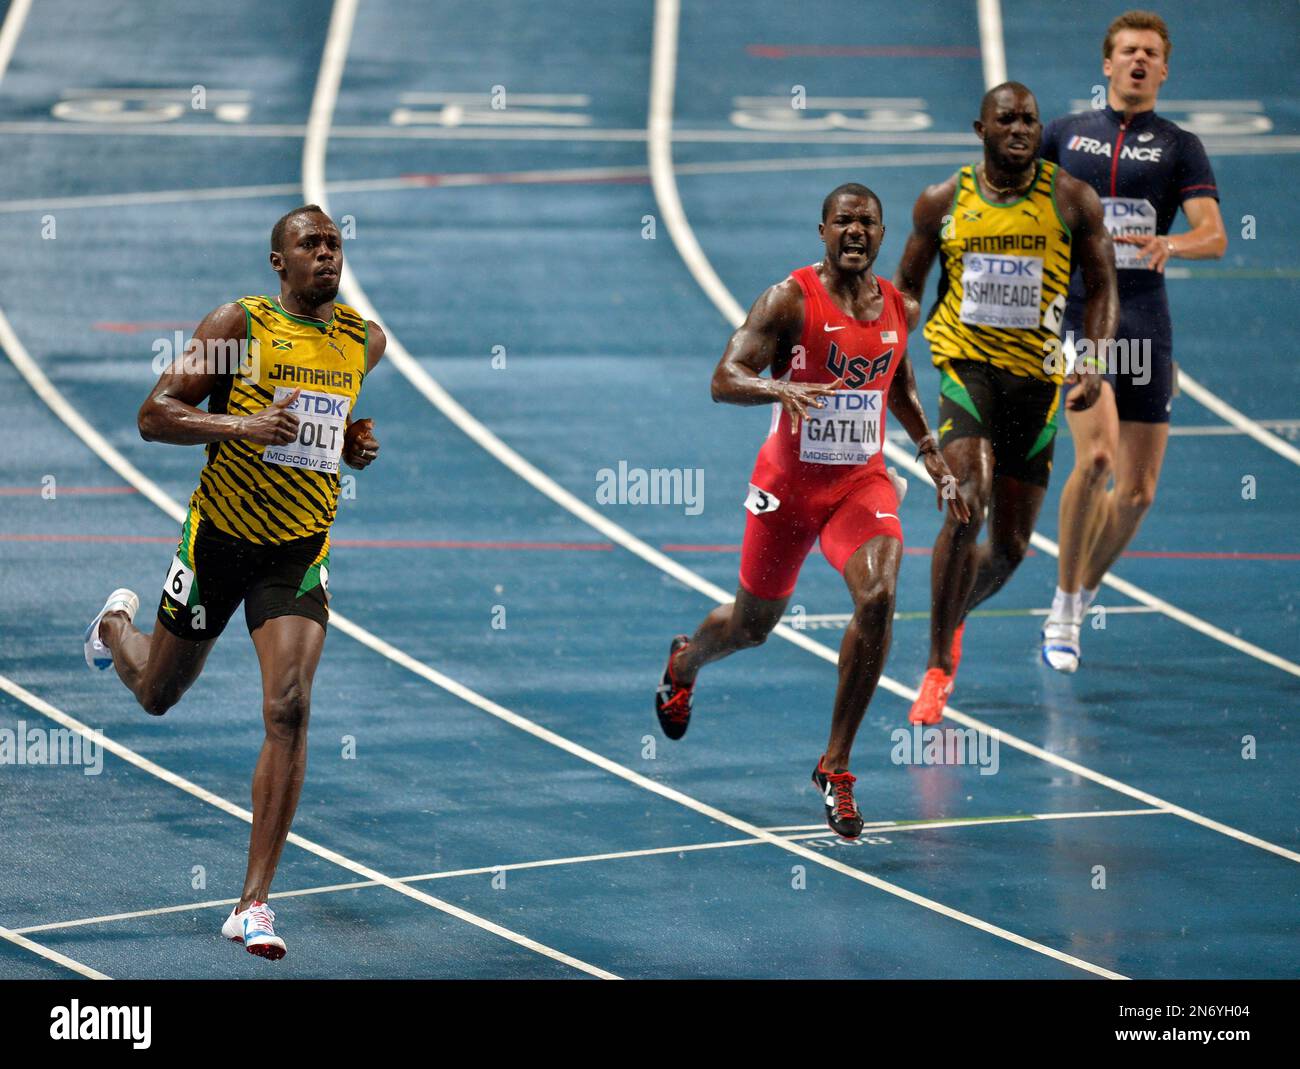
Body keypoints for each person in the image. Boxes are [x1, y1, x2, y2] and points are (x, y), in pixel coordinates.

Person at [82, 205, 386, 960]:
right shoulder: (238, 326)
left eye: (335, 243)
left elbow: (331, 416)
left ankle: (254, 903)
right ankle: (115, 628)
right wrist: (240, 428)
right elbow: (155, 414)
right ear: (278, 264)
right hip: (218, 539)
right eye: (309, 245)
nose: (326, 255)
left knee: (289, 705)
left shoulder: (363, 339)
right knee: (157, 691)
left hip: (297, 550)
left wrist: (350, 442)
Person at [653, 183, 968, 838]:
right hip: (788, 490)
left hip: (859, 484)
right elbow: (723, 376)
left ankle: (837, 764)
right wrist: (777, 386)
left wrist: (930, 451)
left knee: (879, 596)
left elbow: (898, 378)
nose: (856, 232)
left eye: (868, 223)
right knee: (752, 624)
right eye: (844, 222)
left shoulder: (899, 306)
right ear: (823, 231)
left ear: (880, 235)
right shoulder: (789, 299)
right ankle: (684, 664)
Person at [893, 82, 1118, 725]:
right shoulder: (943, 201)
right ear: (980, 129)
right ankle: (937, 667)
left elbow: (1102, 287)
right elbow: (907, 285)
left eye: (1029, 119)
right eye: (1007, 119)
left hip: (1039, 381)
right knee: (968, 499)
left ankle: (954, 610)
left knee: (1013, 546)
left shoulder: (1071, 200)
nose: (1020, 128)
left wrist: (1095, 356)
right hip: (967, 368)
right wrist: (890, 344)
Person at [1038, 10, 1226, 671]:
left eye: (1151, 52)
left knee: (1140, 490)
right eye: (1128, 51)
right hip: (1080, 316)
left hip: (1145, 316)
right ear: (1107, 64)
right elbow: (1015, 201)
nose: (1139, 60)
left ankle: (1085, 589)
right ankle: (1061, 608)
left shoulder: (1180, 146)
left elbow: (1215, 235)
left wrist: (1172, 242)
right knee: (1095, 461)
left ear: (1164, 70)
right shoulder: (1065, 134)